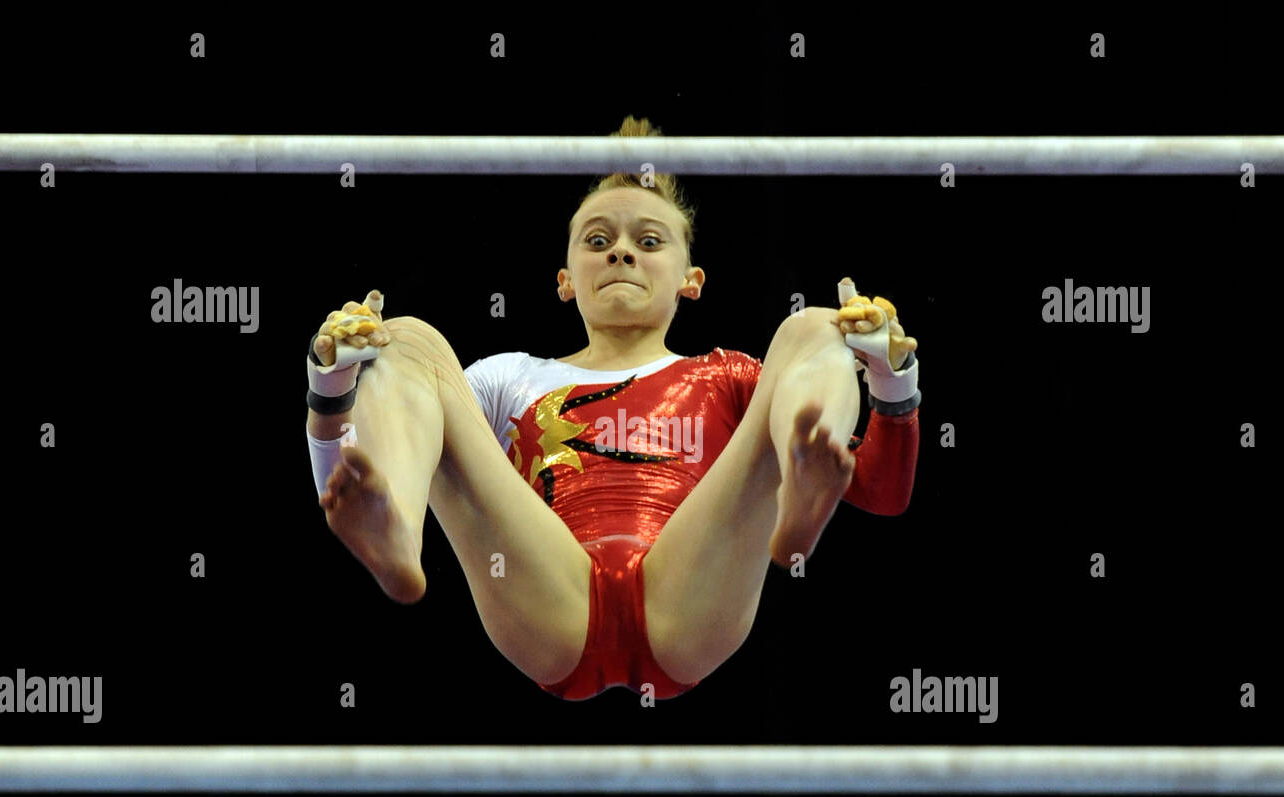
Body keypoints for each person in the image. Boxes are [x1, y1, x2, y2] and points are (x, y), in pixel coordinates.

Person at [304, 117, 920, 700]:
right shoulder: (505, 379)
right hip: (550, 594)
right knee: (408, 340)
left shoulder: (731, 376)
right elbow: (345, 482)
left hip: (690, 591)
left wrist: (891, 384)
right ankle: (397, 531)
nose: (621, 252)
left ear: (691, 278)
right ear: (565, 278)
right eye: (598, 240)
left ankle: (798, 497)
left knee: (812, 327)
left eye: (648, 241)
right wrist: (330, 392)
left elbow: (884, 494)